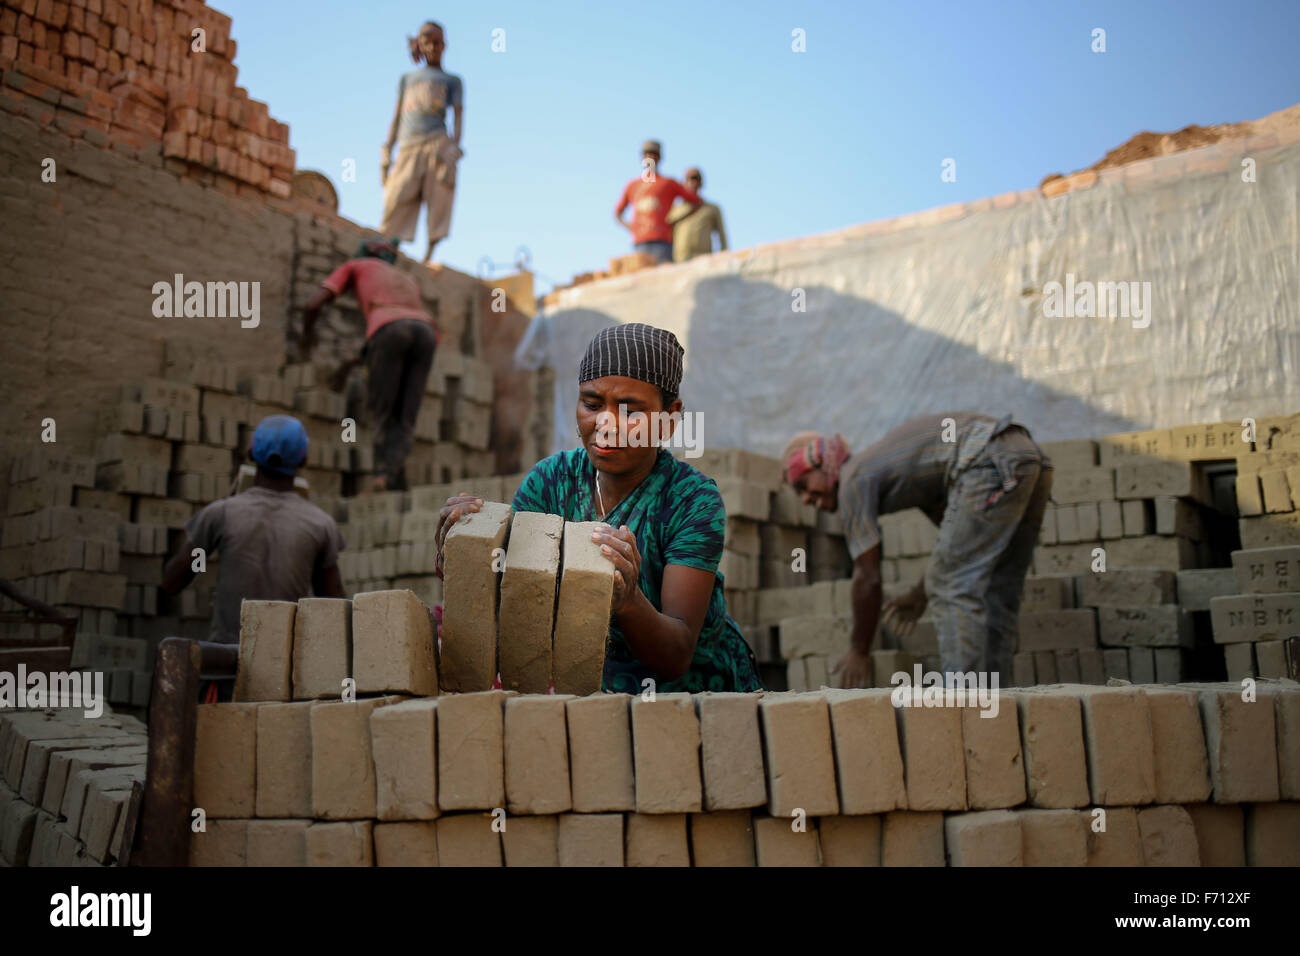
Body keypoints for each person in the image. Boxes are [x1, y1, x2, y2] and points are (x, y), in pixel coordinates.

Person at [435, 323, 763, 694]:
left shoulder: (691, 501)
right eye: (591, 404)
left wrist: (629, 601)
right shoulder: (550, 482)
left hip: (693, 705)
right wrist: (466, 560)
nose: (605, 424)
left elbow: (676, 653)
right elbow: (515, 600)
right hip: (591, 702)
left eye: (630, 411)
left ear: (670, 417)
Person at [782, 414, 1052, 688]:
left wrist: (859, 650)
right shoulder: (907, 472)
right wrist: (919, 593)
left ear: (825, 464)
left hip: (987, 459)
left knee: (951, 586)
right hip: (1027, 458)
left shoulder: (852, 479)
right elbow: (957, 549)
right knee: (997, 588)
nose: (805, 499)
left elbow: (868, 577)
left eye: (803, 485)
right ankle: (994, 709)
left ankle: (964, 711)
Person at [161, 416, 346, 701]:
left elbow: (172, 582)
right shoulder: (320, 525)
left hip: (223, 670)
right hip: (286, 673)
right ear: (304, 460)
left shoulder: (222, 513)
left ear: (250, 454)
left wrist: (208, 534)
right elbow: (332, 604)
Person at [300, 237, 440, 493]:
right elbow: (402, 327)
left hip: (389, 332)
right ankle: (390, 477)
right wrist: (352, 363)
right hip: (426, 334)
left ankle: (380, 478)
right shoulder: (406, 278)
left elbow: (313, 304)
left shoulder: (355, 265)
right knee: (406, 414)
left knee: (382, 409)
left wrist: (307, 337)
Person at [380, 20, 464, 265]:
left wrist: (454, 147)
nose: (434, 47)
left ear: (445, 45)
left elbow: (458, 117)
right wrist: (387, 148)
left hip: (437, 143)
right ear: (420, 45)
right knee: (396, 197)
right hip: (408, 145)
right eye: (428, 42)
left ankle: (428, 257)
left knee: (439, 197)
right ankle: (388, 249)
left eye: (438, 43)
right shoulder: (408, 79)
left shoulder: (452, 81)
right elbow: (396, 116)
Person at [614, 140, 701, 265]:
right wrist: (632, 227)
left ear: (659, 158)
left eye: (654, 154)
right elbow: (618, 212)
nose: (650, 158)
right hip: (640, 242)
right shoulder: (633, 186)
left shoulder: (669, 183)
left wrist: (675, 222)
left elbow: (696, 202)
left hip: (663, 242)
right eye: (647, 154)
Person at [667, 167, 727, 262]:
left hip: (704, 258)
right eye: (689, 179)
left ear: (701, 183)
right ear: (683, 183)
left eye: (696, 179)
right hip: (680, 258)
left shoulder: (712, 209)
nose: (692, 182)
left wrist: (724, 258)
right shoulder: (674, 210)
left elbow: (722, 236)